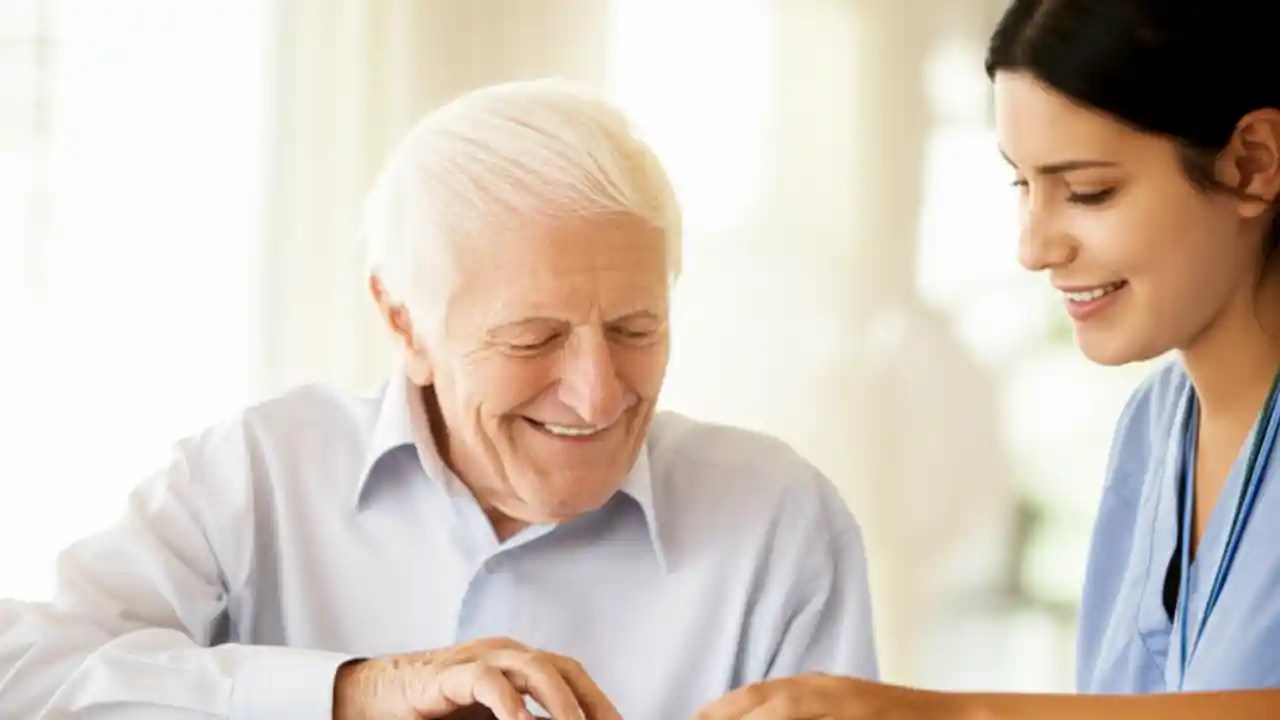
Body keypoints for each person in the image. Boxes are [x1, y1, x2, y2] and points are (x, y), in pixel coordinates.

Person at [0, 80, 878, 719]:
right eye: (532, 338)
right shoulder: (257, 475)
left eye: (636, 327)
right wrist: (354, 690)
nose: (598, 390)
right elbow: (27, 678)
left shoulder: (779, 523)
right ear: (405, 322)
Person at [694, 1, 1280, 717]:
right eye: (1022, 186)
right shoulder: (1154, 432)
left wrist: (952, 713)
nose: (1034, 249)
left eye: (1088, 192)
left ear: (1252, 164)